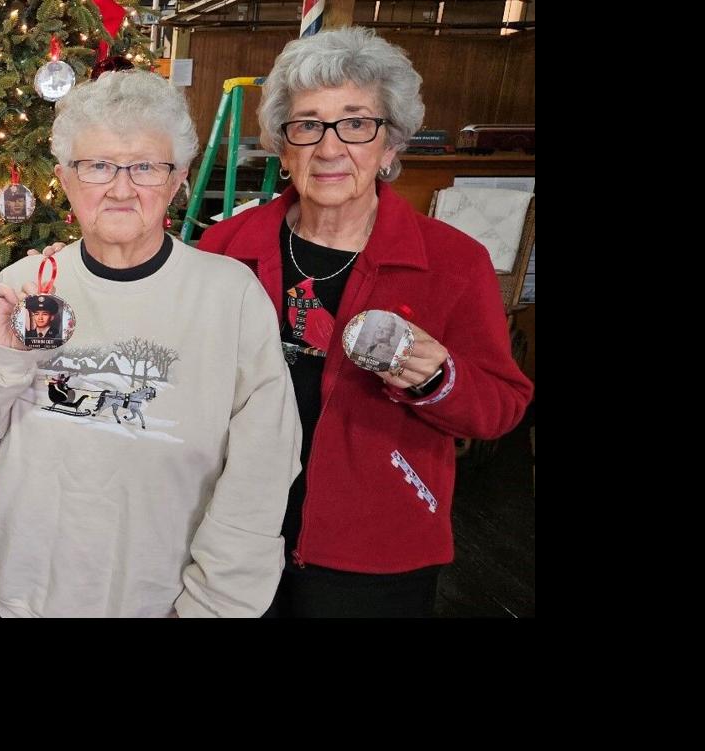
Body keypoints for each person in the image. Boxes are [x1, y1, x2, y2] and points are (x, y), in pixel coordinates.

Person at [0, 71, 301, 617]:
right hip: (32, 595)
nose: (121, 188)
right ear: (64, 178)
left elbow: (263, 473)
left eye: (146, 167)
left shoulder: (230, 296)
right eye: (98, 165)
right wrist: (3, 355)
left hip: (168, 603)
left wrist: (213, 606)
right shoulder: (24, 286)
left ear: (177, 180)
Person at [197, 28, 534, 617]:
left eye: (356, 124)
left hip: (374, 552)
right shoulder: (226, 247)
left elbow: (501, 406)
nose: (330, 149)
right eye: (307, 124)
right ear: (283, 145)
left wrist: (438, 381)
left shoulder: (454, 262)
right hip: (232, 533)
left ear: (391, 144)